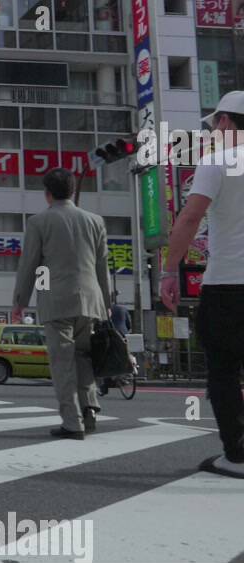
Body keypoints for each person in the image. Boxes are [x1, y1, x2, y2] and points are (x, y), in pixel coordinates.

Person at [161, 92, 244, 477]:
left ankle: (237, 454)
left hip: (228, 285)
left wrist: (170, 270)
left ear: (227, 121)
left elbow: (190, 218)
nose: (213, 132)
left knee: (224, 370)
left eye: (214, 125)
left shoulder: (218, 161)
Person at [13, 167, 110, 438]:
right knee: (84, 356)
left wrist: (21, 301)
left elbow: (30, 264)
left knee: (62, 362)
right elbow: (102, 265)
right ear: (73, 191)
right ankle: (90, 409)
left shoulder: (39, 222)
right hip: (90, 299)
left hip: (56, 301)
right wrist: (106, 300)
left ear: (47, 194)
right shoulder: (95, 221)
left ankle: (72, 421)